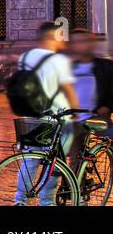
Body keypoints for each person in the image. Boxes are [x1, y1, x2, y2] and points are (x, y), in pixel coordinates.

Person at [13, 22, 80, 205]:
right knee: (56, 164)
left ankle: (20, 201)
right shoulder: (59, 61)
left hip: (31, 116)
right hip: (58, 119)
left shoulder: (25, 57)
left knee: (30, 161)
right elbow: (69, 90)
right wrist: (77, 114)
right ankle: (46, 202)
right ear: (53, 36)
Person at [62, 28, 112, 172]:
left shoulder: (105, 67)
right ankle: (73, 188)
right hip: (73, 120)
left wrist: (107, 107)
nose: (81, 45)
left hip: (98, 118)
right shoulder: (66, 67)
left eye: (85, 41)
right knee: (72, 161)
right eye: (77, 42)